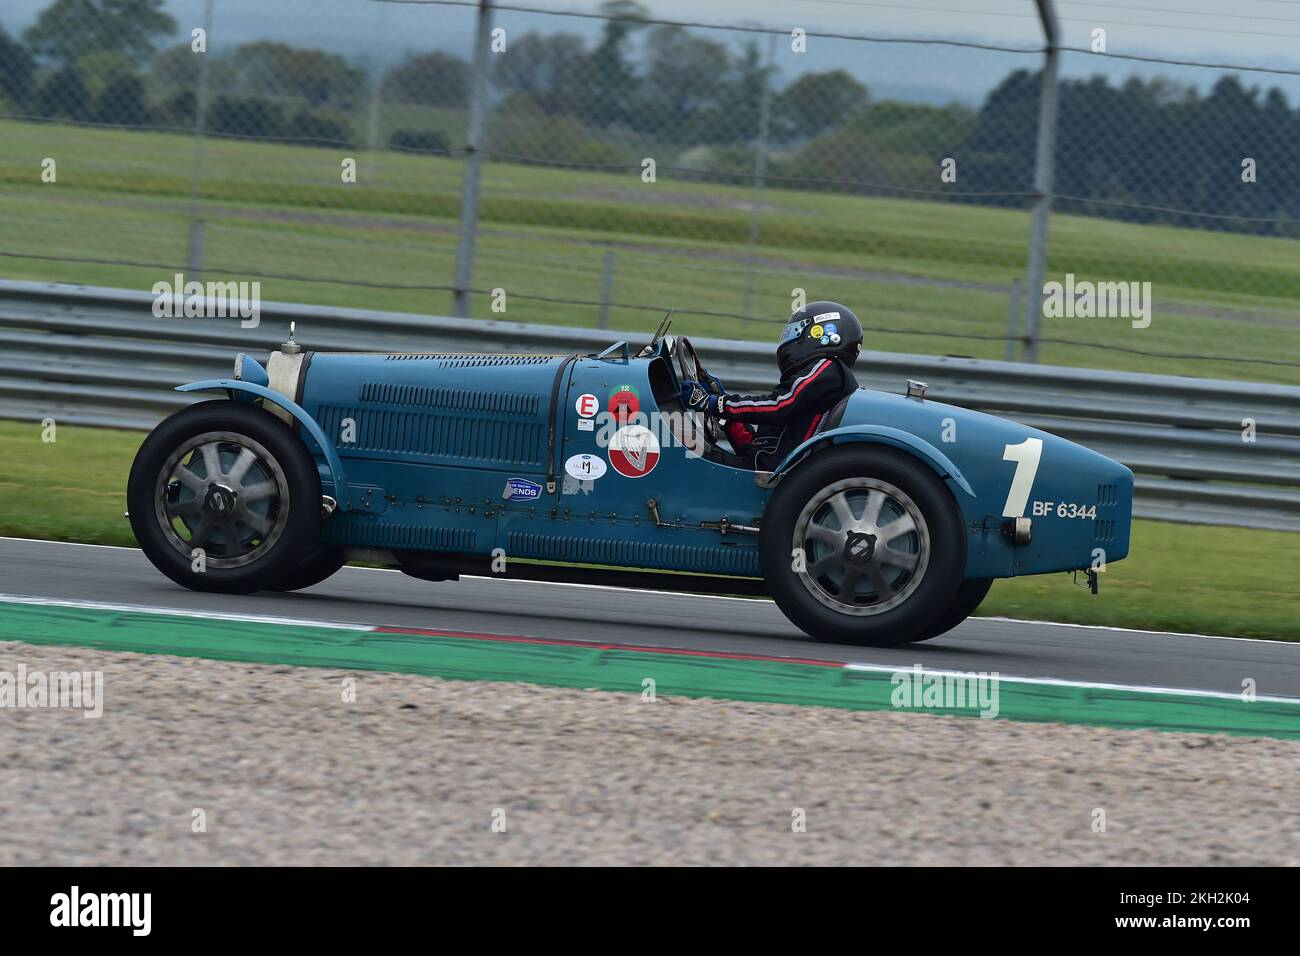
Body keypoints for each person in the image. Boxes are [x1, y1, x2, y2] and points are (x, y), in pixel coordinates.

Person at [680, 301, 862, 469]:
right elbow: (755, 443)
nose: (788, 340)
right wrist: (724, 414)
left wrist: (714, 403)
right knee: (688, 449)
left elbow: (778, 405)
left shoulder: (828, 368)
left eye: (795, 332)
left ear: (821, 334)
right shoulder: (827, 380)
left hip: (772, 473)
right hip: (765, 466)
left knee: (681, 458)